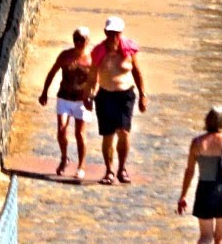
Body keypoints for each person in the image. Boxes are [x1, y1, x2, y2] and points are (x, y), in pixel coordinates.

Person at [89, 16, 146, 185]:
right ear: (106, 32)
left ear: (121, 33)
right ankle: (109, 171)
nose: (113, 37)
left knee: (124, 132)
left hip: (125, 95)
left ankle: (122, 168)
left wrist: (143, 94)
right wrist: (88, 94)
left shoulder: (129, 51)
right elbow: (93, 75)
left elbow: (137, 72)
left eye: (116, 33)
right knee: (108, 135)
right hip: (105, 95)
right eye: (111, 33)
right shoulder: (99, 51)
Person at [177, 106, 222, 244]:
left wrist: (183, 195)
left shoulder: (197, 143)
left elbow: (189, 171)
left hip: (205, 190)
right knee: (221, 237)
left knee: (205, 236)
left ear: (208, 121)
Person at [38, 27, 95, 179]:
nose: (78, 42)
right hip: (64, 97)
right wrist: (45, 92)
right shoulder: (65, 56)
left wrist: (92, 96)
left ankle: (81, 165)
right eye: (76, 39)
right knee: (62, 130)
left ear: (87, 41)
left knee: (80, 134)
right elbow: (52, 72)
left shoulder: (91, 58)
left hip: (82, 100)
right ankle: (64, 158)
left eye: (81, 39)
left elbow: (96, 78)